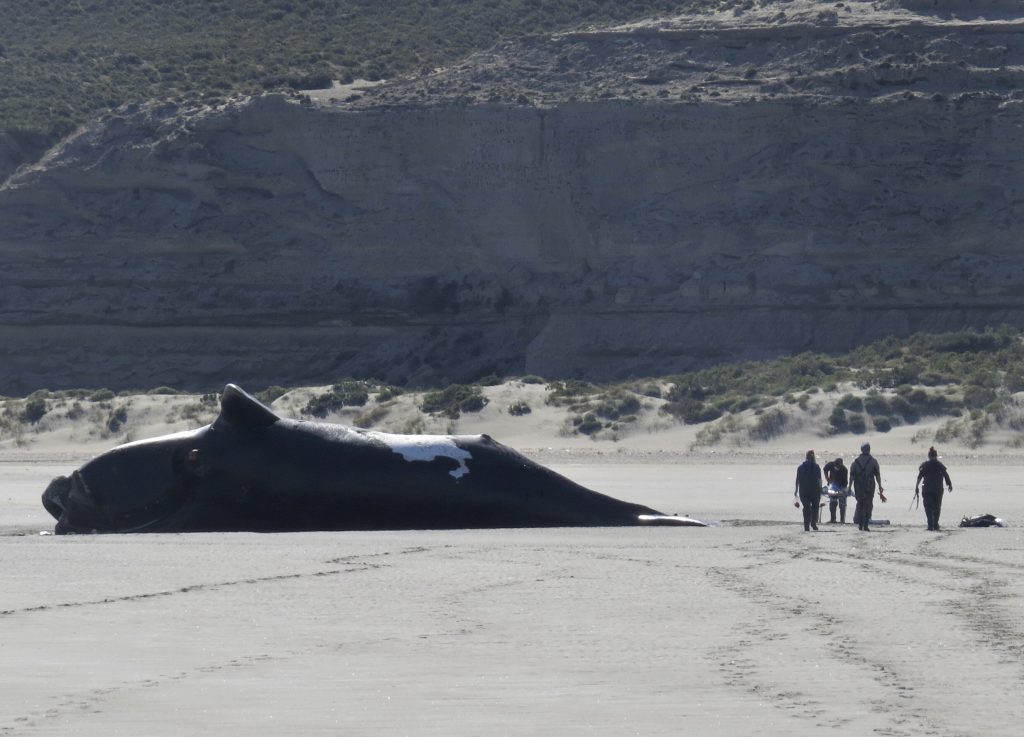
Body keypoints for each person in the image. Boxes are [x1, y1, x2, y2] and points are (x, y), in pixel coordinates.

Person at [915, 446, 953, 531]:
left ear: (929, 456)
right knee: (937, 507)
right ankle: (935, 524)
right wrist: (949, 484)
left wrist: (916, 486)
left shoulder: (925, 465)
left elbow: (919, 476)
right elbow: (946, 474)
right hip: (938, 490)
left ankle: (930, 525)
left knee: (928, 507)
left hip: (927, 490)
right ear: (936, 456)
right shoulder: (939, 465)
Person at [850, 442, 885, 531]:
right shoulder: (873, 461)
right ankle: (865, 524)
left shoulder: (855, 461)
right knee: (868, 505)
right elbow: (877, 475)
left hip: (858, 486)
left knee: (860, 504)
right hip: (869, 486)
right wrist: (880, 486)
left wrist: (849, 487)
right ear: (869, 449)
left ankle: (860, 524)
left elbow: (852, 476)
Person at [794, 450, 823, 532]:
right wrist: (821, 489)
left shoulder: (800, 467)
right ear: (813, 457)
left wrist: (796, 490)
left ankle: (806, 525)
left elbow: (797, 480)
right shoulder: (816, 467)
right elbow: (819, 480)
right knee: (815, 507)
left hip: (803, 491)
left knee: (806, 508)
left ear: (806, 457)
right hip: (814, 490)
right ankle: (813, 523)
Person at [822, 456, 849, 524]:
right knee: (833, 503)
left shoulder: (844, 470)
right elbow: (825, 469)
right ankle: (832, 519)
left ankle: (842, 520)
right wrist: (827, 478)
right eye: (837, 466)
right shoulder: (831, 464)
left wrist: (840, 492)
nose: (838, 467)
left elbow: (845, 483)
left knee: (842, 504)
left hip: (841, 487)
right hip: (833, 486)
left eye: (839, 466)